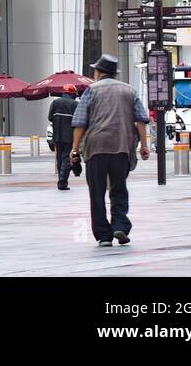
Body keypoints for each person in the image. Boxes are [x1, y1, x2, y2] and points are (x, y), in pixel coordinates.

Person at [71, 54, 150, 246]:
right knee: (119, 189)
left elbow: (80, 122)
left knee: (97, 193)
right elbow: (141, 119)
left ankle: (104, 235)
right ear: (115, 74)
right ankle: (120, 226)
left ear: (98, 72)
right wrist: (145, 146)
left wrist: (74, 149)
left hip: (96, 147)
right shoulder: (129, 91)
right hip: (121, 146)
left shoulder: (91, 90)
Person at [48, 84, 81, 191]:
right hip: (70, 136)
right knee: (66, 158)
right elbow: (79, 121)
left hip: (57, 136)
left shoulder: (55, 102)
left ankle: (61, 179)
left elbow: (50, 117)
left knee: (59, 158)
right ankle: (62, 182)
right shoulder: (75, 104)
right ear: (73, 94)